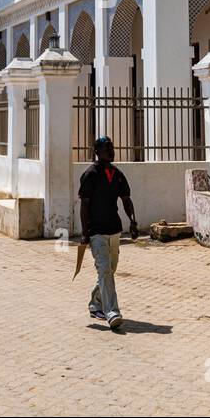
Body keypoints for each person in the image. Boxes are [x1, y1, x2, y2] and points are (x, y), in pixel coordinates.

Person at [78, 136, 138, 330]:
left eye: (112, 148)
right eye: (106, 149)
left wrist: (133, 221)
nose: (111, 151)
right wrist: (85, 233)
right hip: (96, 232)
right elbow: (84, 205)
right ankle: (112, 312)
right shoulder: (90, 175)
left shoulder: (117, 174)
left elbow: (126, 199)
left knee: (109, 271)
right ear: (97, 152)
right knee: (104, 270)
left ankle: (96, 303)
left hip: (114, 230)